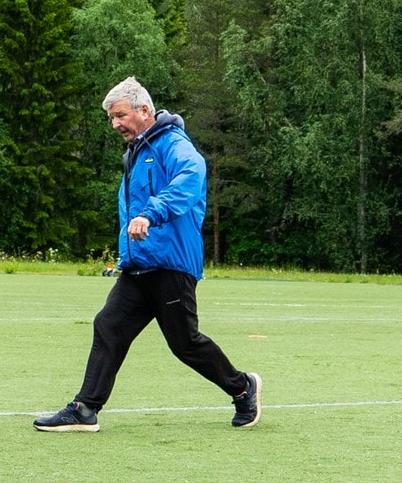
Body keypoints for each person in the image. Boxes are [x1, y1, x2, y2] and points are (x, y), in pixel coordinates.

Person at [34, 79, 260, 434]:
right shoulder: (136, 153)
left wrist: (151, 214)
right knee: (108, 325)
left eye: (120, 115)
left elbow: (191, 177)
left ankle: (243, 387)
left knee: (185, 344)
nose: (115, 124)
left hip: (171, 264)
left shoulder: (173, 144)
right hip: (139, 266)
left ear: (144, 110)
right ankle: (85, 408)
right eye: (111, 118)